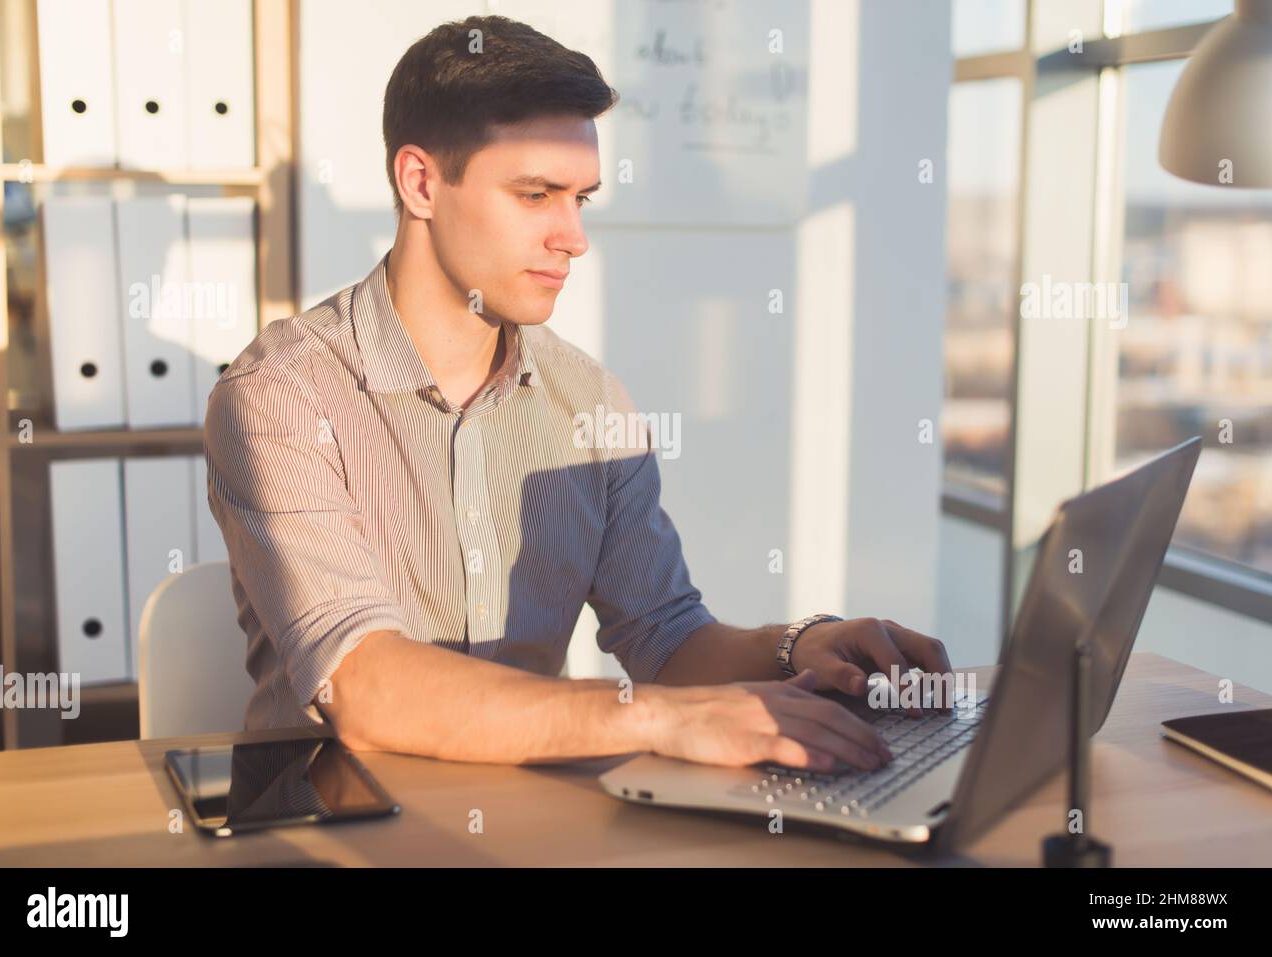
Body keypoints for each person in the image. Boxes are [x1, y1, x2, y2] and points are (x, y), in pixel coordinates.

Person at [204, 14, 952, 775]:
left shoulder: (588, 398)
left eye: (581, 199)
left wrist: (795, 644)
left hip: (532, 825)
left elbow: (664, 636)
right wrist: (659, 718)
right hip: (332, 829)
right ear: (421, 182)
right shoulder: (279, 397)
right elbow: (365, 686)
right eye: (536, 195)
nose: (573, 236)